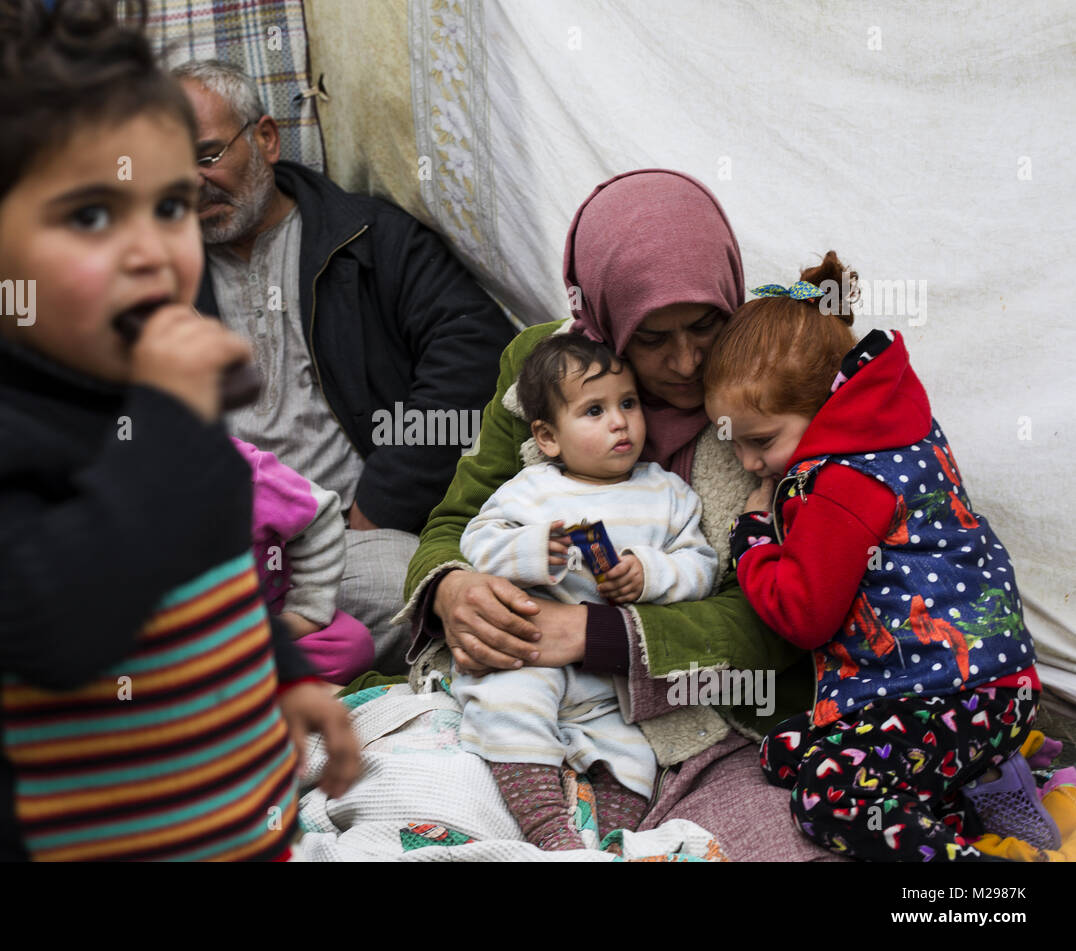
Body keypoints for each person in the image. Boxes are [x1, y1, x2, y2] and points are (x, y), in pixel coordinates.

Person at [0, 0, 357, 861]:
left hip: (242, 833)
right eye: (91, 216)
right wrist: (167, 425)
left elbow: (219, 580)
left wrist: (289, 674)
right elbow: (55, 630)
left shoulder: (162, 415)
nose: (152, 248)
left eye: (169, 205)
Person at [401, 168, 838, 863]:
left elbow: (775, 623)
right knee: (418, 816)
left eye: (704, 326)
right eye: (653, 338)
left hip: (710, 721)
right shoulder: (548, 369)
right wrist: (454, 588)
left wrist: (596, 632)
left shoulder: (767, 394)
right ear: (608, 322)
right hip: (528, 684)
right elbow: (456, 519)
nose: (688, 361)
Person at [705, 252, 1054, 861]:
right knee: (784, 750)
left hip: (952, 693)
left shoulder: (846, 483)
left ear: (823, 406)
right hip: (964, 682)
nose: (749, 464)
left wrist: (753, 540)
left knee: (828, 795)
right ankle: (984, 781)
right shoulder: (895, 429)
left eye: (761, 442)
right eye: (734, 443)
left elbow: (804, 613)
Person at [172, 59, 516, 672]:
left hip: (347, 546)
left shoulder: (369, 239)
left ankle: (220, 673)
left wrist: (380, 502)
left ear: (266, 138)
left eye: (206, 154)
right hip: (213, 555)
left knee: (408, 589)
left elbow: (473, 350)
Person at [453, 334, 717, 849]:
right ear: (548, 437)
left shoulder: (667, 492)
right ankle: (549, 829)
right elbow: (477, 542)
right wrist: (532, 551)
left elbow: (701, 565)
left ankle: (608, 838)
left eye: (628, 403)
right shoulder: (533, 489)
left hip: (612, 684)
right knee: (508, 706)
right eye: (593, 411)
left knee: (638, 757)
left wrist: (650, 573)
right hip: (533, 659)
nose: (620, 422)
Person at [233, 435, 374, 684]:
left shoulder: (247, 475)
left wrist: (305, 612)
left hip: (261, 626)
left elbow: (318, 515)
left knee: (352, 644)